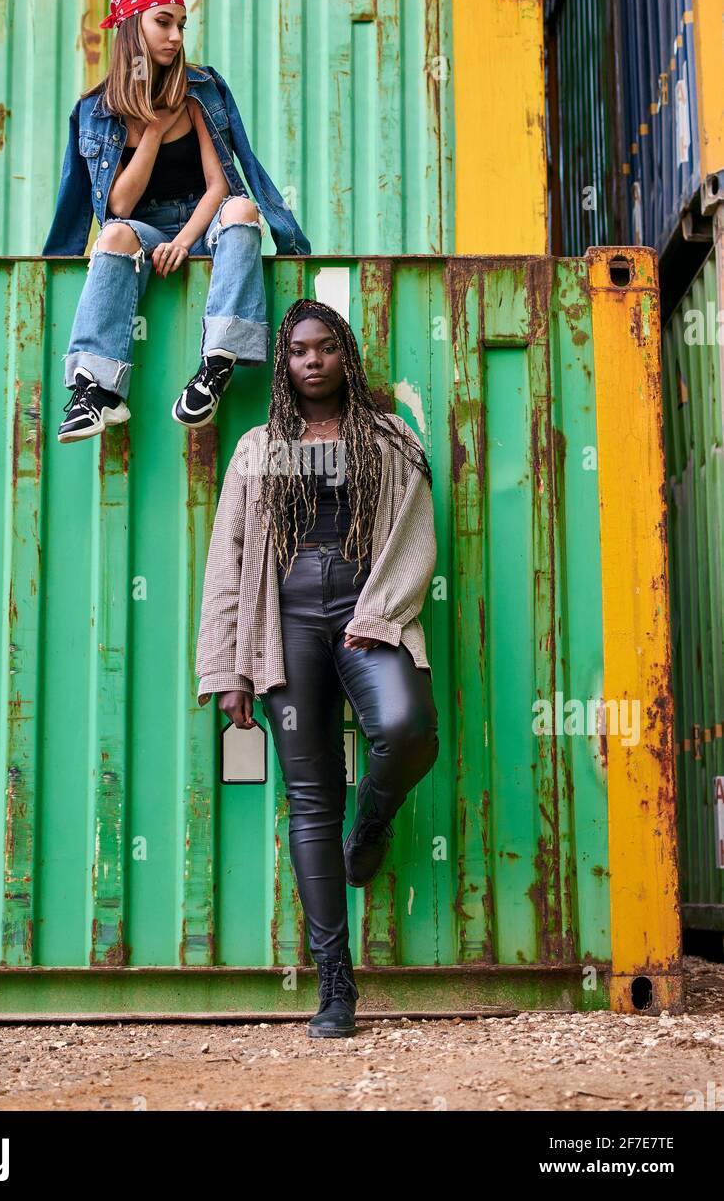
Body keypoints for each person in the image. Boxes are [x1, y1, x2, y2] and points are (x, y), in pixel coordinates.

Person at [195, 298, 439, 1038]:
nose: (311, 360)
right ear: (284, 362)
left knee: (407, 728)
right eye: (298, 350)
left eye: (324, 347)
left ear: (345, 355)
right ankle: (336, 985)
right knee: (309, 799)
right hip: (288, 622)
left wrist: (380, 613)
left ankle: (373, 824)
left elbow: (415, 534)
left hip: (369, 617)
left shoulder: (390, 438)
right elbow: (229, 561)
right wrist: (229, 669)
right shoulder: (258, 447)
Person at [42, 0, 311, 441]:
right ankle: (98, 392)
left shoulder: (200, 89)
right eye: (163, 22)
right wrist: (152, 130)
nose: (175, 36)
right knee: (113, 236)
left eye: (181, 25)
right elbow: (118, 205)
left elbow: (220, 184)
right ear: (130, 28)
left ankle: (216, 365)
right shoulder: (96, 110)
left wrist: (185, 241)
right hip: (141, 226)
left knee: (243, 210)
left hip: (201, 218)